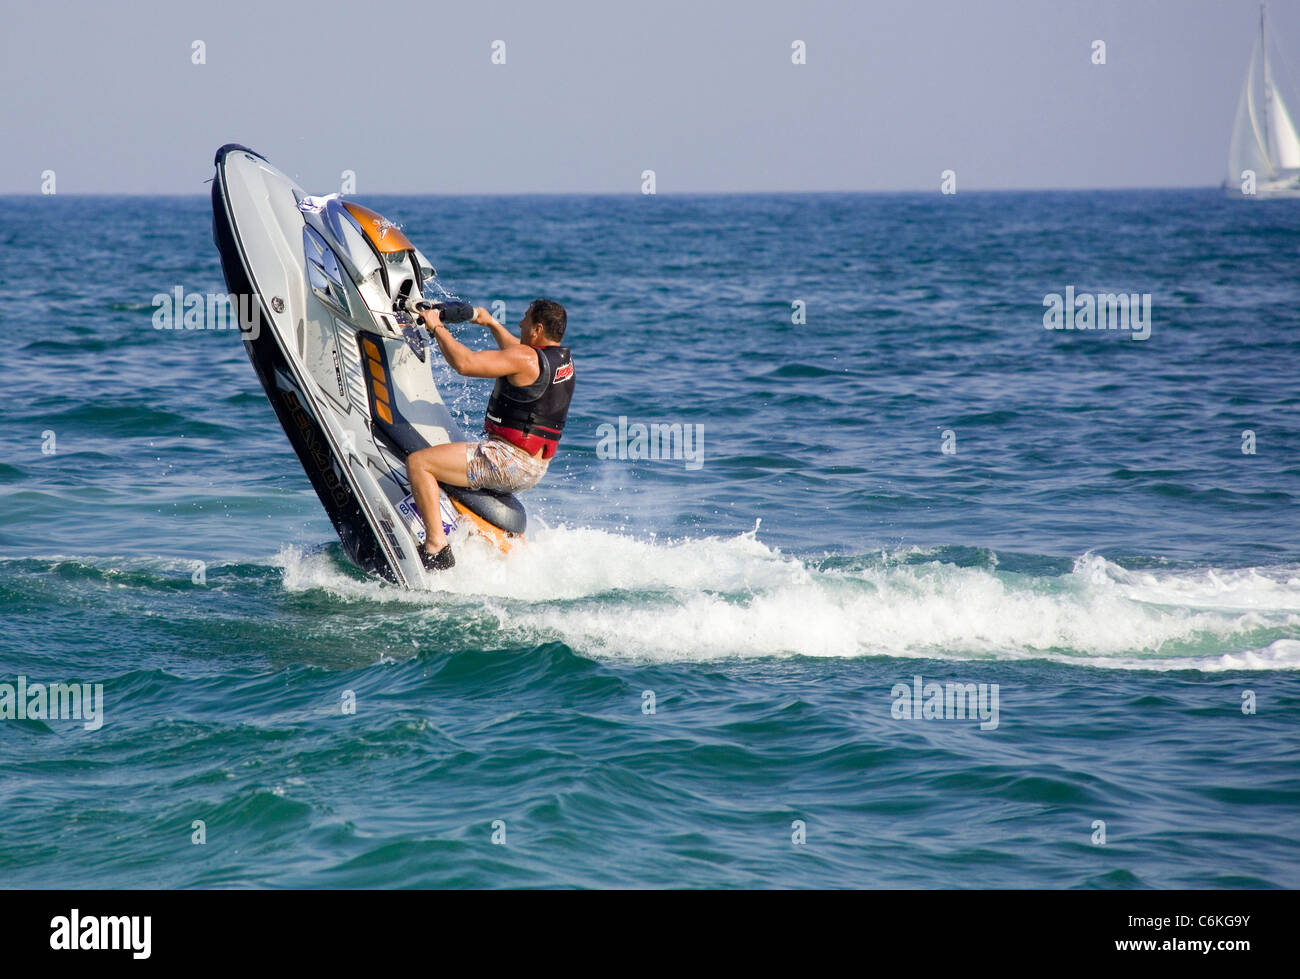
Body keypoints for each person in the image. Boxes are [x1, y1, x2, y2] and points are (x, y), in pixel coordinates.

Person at [407, 298, 574, 571]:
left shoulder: (526, 358)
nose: (520, 323)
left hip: (507, 461)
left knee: (419, 463)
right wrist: (490, 322)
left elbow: (465, 363)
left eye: (525, 318)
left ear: (537, 329)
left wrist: (437, 327)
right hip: (534, 467)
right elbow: (518, 354)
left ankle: (436, 546)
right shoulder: (560, 362)